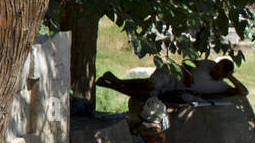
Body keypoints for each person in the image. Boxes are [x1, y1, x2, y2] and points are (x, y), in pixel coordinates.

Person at [97, 57, 248, 102]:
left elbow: (243, 92)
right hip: (172, 73)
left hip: (173, 89)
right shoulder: (208, 64)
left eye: (218, 69)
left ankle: (111, 85)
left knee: (144, 96)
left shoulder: (221, 86)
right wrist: (188, 73)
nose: (214, 68)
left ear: (224, 74)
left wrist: (230, 77)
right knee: (149, 85)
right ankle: (117, 81)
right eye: (216, 65)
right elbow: (187, 62)